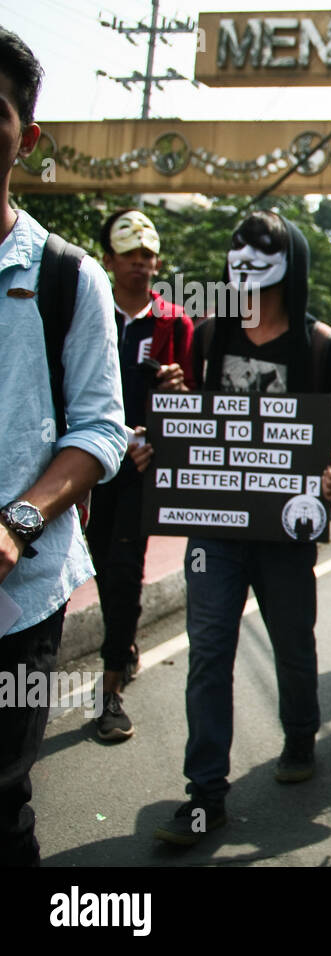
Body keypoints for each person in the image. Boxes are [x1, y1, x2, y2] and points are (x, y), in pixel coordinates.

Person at [150, 210, 331, 846]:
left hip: (287, 528)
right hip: (215, 527)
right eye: (238, 245)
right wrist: (176, 393)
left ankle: (301, 735)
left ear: (289, 259)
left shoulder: (321, 345)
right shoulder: (210, 334)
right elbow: (197, 419)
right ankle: (205, 795)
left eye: (263, 246)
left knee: (292, 642)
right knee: (209, 652)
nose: (246, 256)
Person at [0, 26, 128, 865]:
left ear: (26, 136)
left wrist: (17, 522)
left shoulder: (65, 275)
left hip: (19, 599)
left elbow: (99, 426)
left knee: (2, 797)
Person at [86, 207, 196, 743]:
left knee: (126, 566)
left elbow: (195, 405)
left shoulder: (176, 322)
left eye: (148, 255)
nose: (140, 264)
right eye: (129, 255)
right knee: (96, 562)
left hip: (141, 465)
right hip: (83, 464)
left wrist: (177, 395)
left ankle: (110, 694)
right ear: (108, 260)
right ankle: (123, 644)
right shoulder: (87, 311)